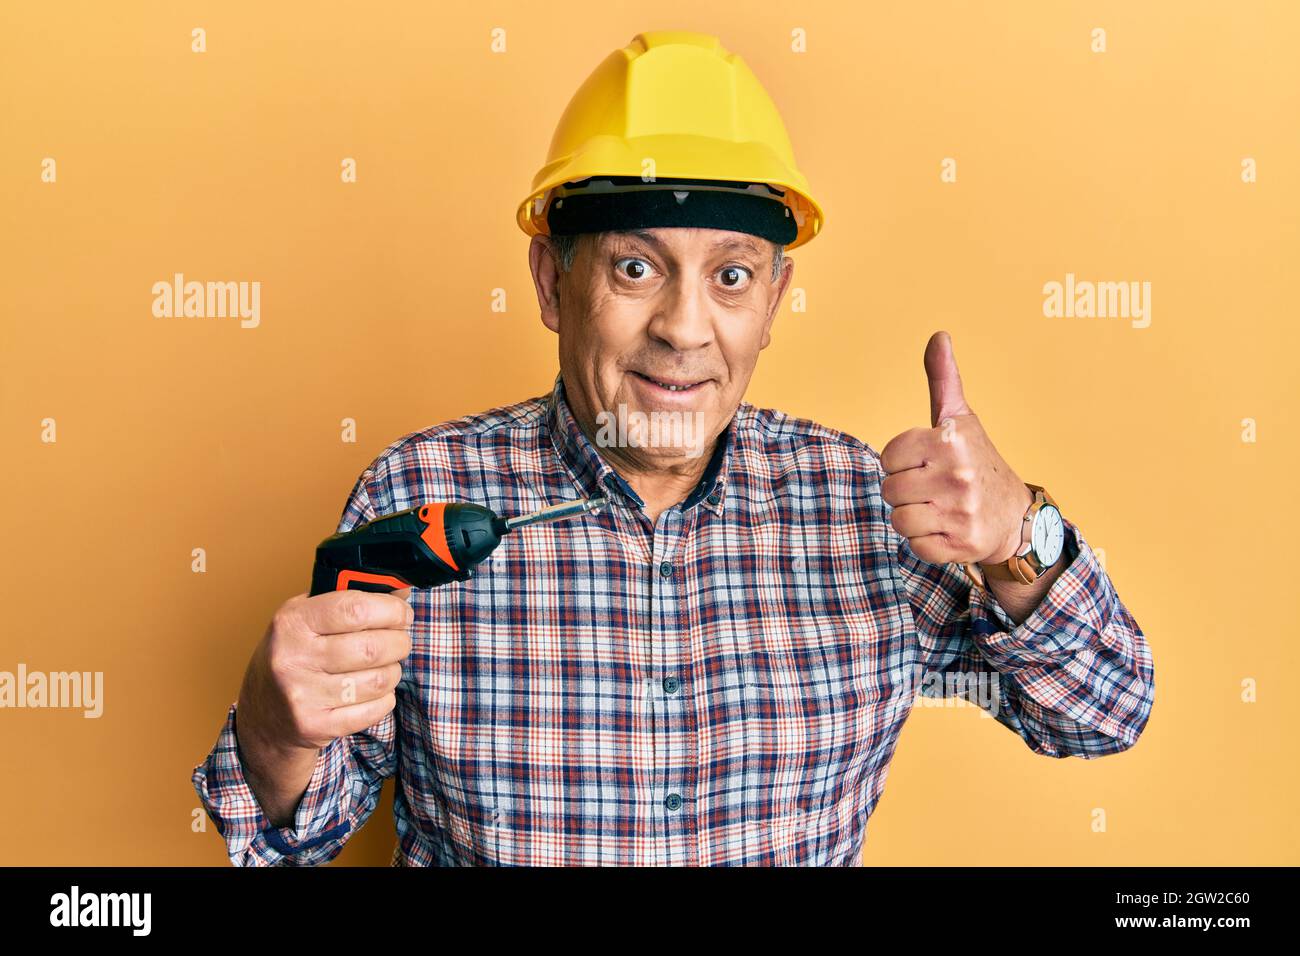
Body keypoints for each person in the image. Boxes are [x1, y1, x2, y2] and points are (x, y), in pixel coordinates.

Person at [193, 31, 1153, 866]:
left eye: (731, 275)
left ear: (773, 303)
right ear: (549, 279)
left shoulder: (871, 510)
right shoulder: (422, 494)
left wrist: (1020, 535)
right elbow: (285, 838)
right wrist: (275, 728)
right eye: (636, 266)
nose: (685, 329)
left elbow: (1104, 715)